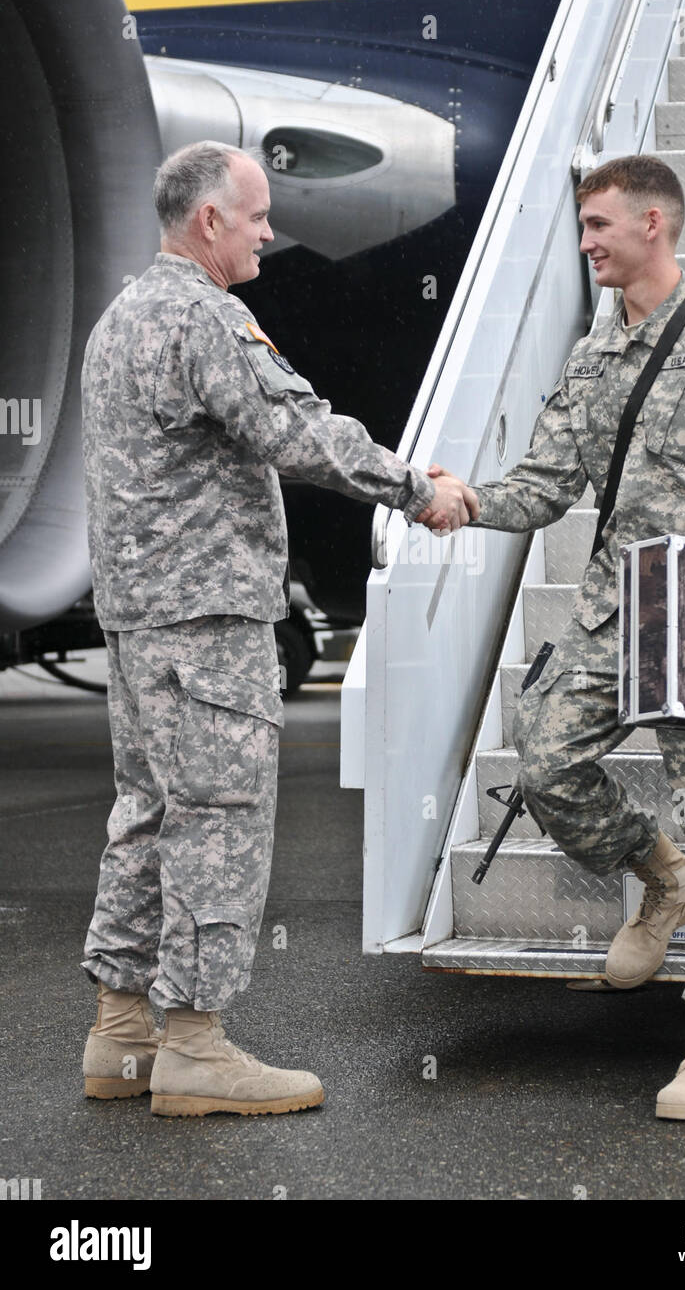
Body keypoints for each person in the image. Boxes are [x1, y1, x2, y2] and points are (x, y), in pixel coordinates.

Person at [418, 154, 685, 1120]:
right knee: (544, 765)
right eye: (583, 226)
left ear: (653, 223)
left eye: (598, 226)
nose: (585, 243)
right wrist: (463, 503)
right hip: (615, 613)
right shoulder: (590, 354)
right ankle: (659, 879)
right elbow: (542, 487)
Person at [80, 140, 477, 1118]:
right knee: (218, 822)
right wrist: (417, 487)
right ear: (207, 219)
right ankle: (197, 1047)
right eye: (256, 214)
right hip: (208, 624)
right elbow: (300, 433)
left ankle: (121, 1034)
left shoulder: (121, 320)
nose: (270, 229)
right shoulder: (206, 320)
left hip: (137, 622)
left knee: (147, 815)